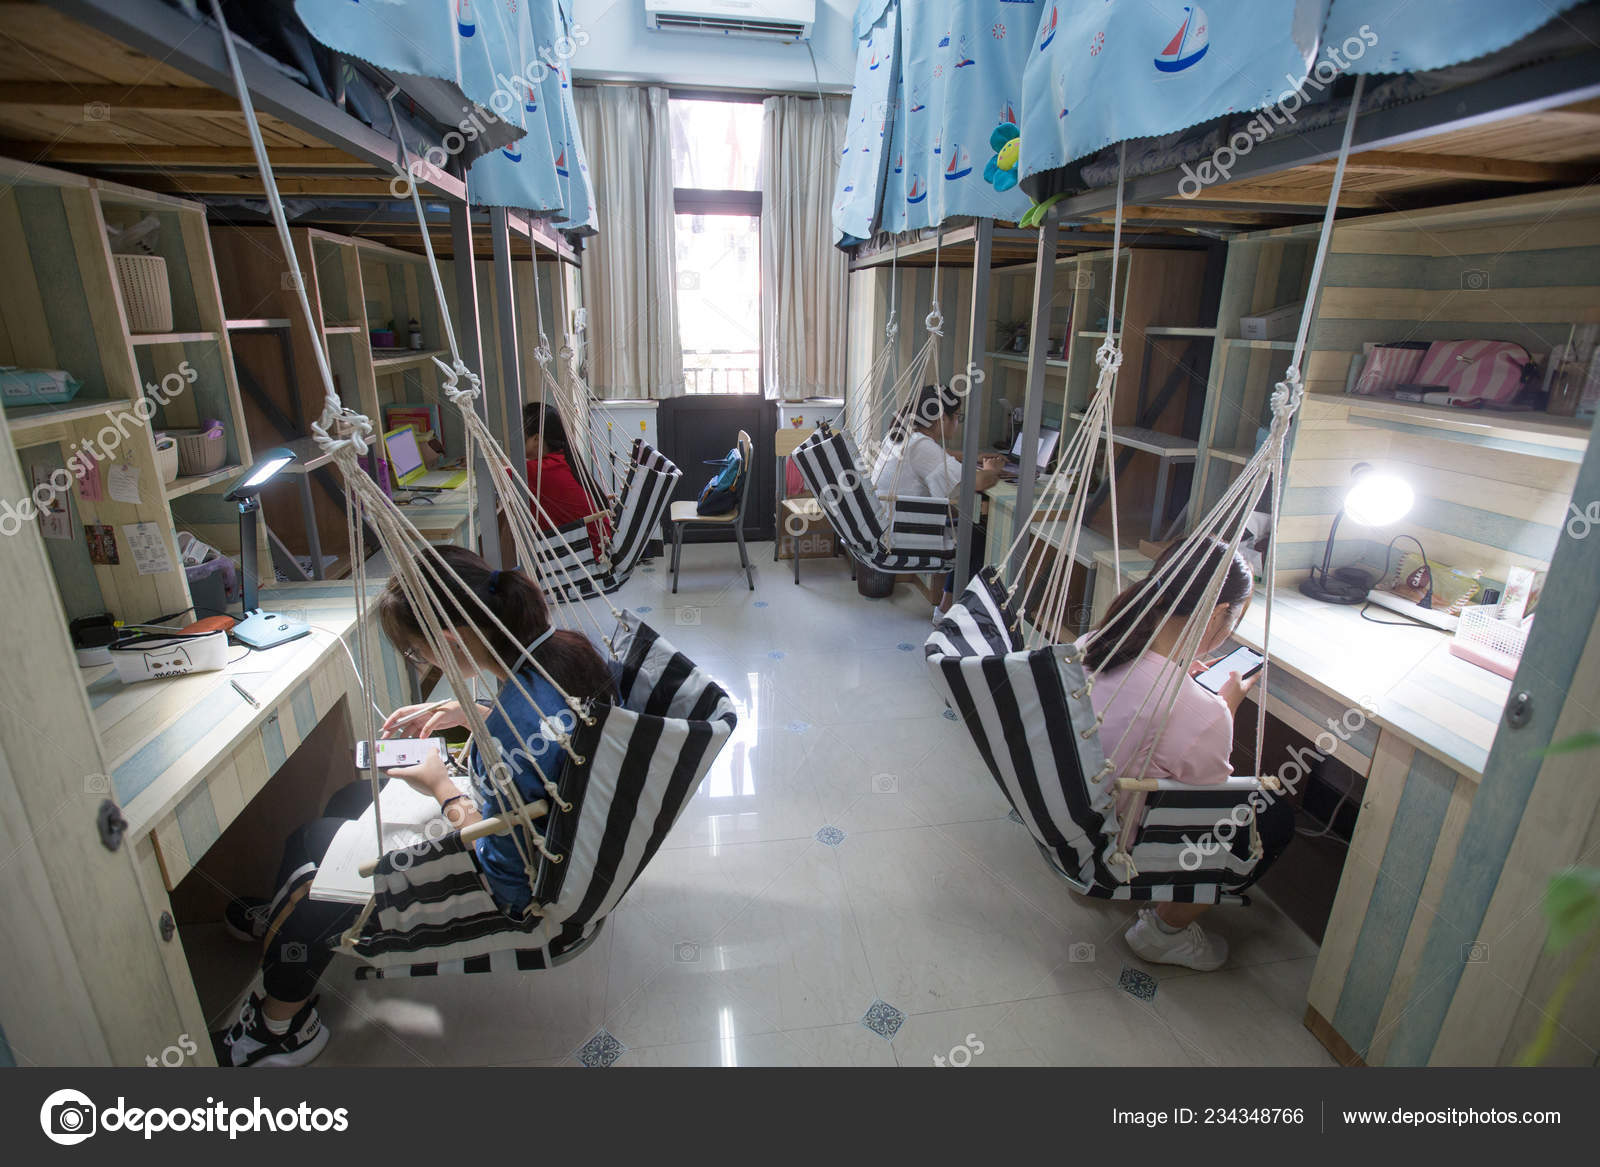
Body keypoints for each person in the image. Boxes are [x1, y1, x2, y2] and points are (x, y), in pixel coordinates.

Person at [211, 547, 615, 1067]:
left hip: (514, 886)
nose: (422, 661)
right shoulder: (563, 653)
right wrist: (476, 714)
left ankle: (279, 1028)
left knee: (313, 862)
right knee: (349, 800)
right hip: (555, 831)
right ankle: (287, 926)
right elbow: (543, 740)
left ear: (449, 641)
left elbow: (508, 872)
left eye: (418, 652)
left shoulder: (515, 727)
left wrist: (442, 786)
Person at [1079, 538, 1294, 972]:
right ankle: (1164, 933)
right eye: (1236, 617)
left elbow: (1141, 707)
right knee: (1272, 816)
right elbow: (1209, 806)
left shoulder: (1095, 643)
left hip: (1075, 812)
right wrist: (1223, 710)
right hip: (1116, 838)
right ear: (1217, 614)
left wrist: (1189, 691)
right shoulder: (1201, 713)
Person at [871, 383, 1005, 615]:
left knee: (967, 528)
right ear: (942, 418)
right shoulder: (921, 446)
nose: (958, 423)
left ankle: (946, 605)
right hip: (902, 536)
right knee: (977, 535)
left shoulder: (902, 435)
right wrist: (992, 470)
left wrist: (972, 457)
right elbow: (978, 482)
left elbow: (938, 457)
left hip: (887, 525)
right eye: (957, 417)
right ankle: (948, 610)